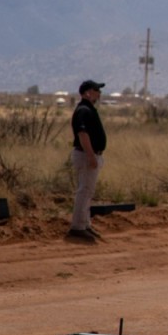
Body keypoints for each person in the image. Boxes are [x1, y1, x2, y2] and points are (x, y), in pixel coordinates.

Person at [69, 80, 106, 241]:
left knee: (87, 191)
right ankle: (78, 227)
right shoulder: (83, 110)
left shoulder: (88, 109)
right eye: (96, 90)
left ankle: (85, 224)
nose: (99, 93)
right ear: (87, 93)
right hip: (86, 155)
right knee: (84, 191)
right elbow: (82, 134)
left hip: (90, 154)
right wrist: (91, 156)